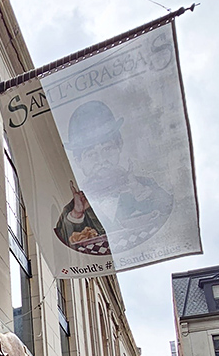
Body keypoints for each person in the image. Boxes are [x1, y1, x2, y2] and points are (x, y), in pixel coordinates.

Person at [55, 100, 173, 253]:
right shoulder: (74, 209)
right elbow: (61, 237)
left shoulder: (144, 187)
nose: (101, 160)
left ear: (119, 146)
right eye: (91, 154)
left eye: (107, 149)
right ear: (78, 162)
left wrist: (139, 190)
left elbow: (168, 209)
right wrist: (77, 213)